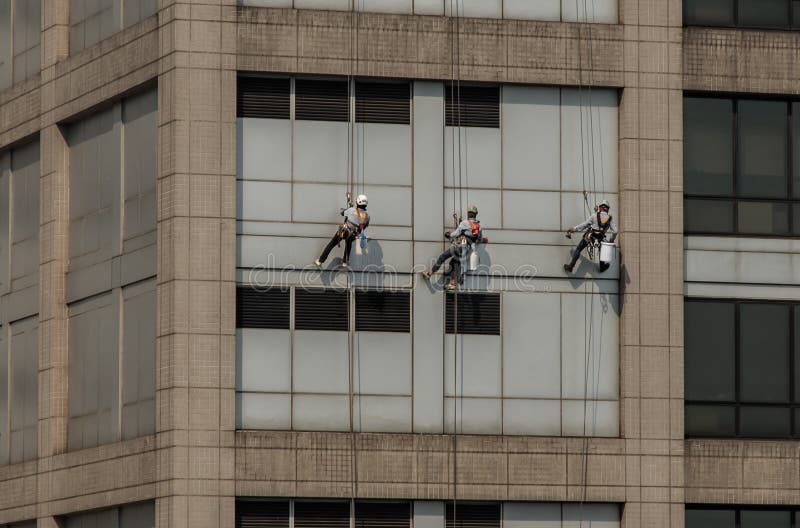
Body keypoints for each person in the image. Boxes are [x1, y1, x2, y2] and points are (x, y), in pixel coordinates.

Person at [423, 204, 488, 290]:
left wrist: (449, 235)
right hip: (466, 250)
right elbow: (478, 240)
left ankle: (430, 273)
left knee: (443, 257)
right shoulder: (479, 227)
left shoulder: (465, 223)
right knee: (453, 264)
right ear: (476, 214)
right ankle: (453, 283)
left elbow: (455, 234)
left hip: (458, 247)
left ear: (468, 214)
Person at [315, 194, 370, 268]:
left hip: (344, 231)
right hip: (353, 234)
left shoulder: (352, 210)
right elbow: (364, 226)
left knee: (332, 244)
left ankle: (320, 261)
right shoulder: (367, 216)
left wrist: (348, 209)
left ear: (357, 202)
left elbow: (342, 213)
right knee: (348, 244)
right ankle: (345, 262)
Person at [564, 200, 618, 273]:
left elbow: (585, 224)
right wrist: (611, 240)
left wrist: (574, 228)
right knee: (602, 251)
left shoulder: (594, 215)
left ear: (600, 207)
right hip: (600, 238)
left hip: (590, 236)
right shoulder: (610, 219)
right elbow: (615, 231)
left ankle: (571, 266)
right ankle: (602, 267)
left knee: (579, 249)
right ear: (607, 209)